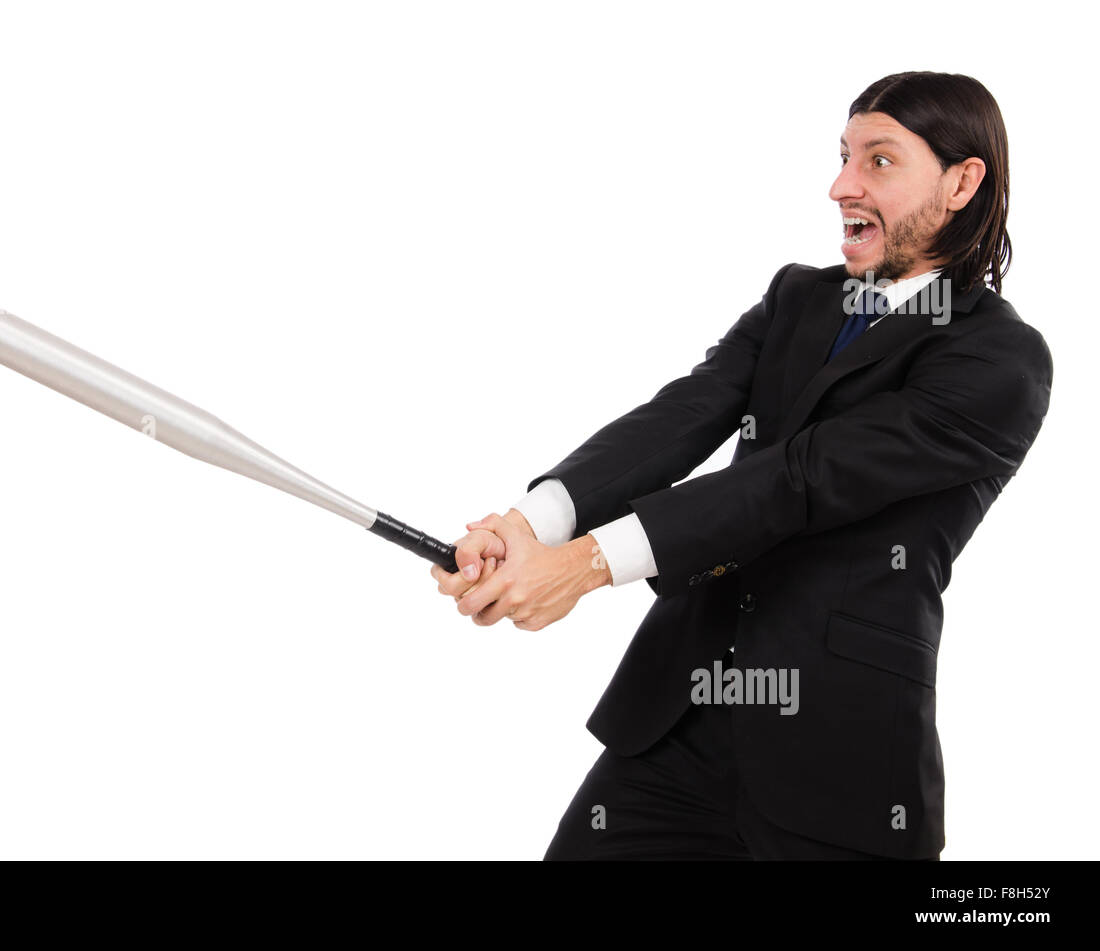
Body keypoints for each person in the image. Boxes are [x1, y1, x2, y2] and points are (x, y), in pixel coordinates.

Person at [430, 71, 1052, 860]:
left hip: (842, 761)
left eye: (880, 161)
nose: (841, 185)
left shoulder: (1000, 360)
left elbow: (803, 476)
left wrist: (586, 565)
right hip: (675, 723)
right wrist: (530, 525)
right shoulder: (799, 298)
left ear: (963, 182)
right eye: (843, 155)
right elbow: (685, 413)